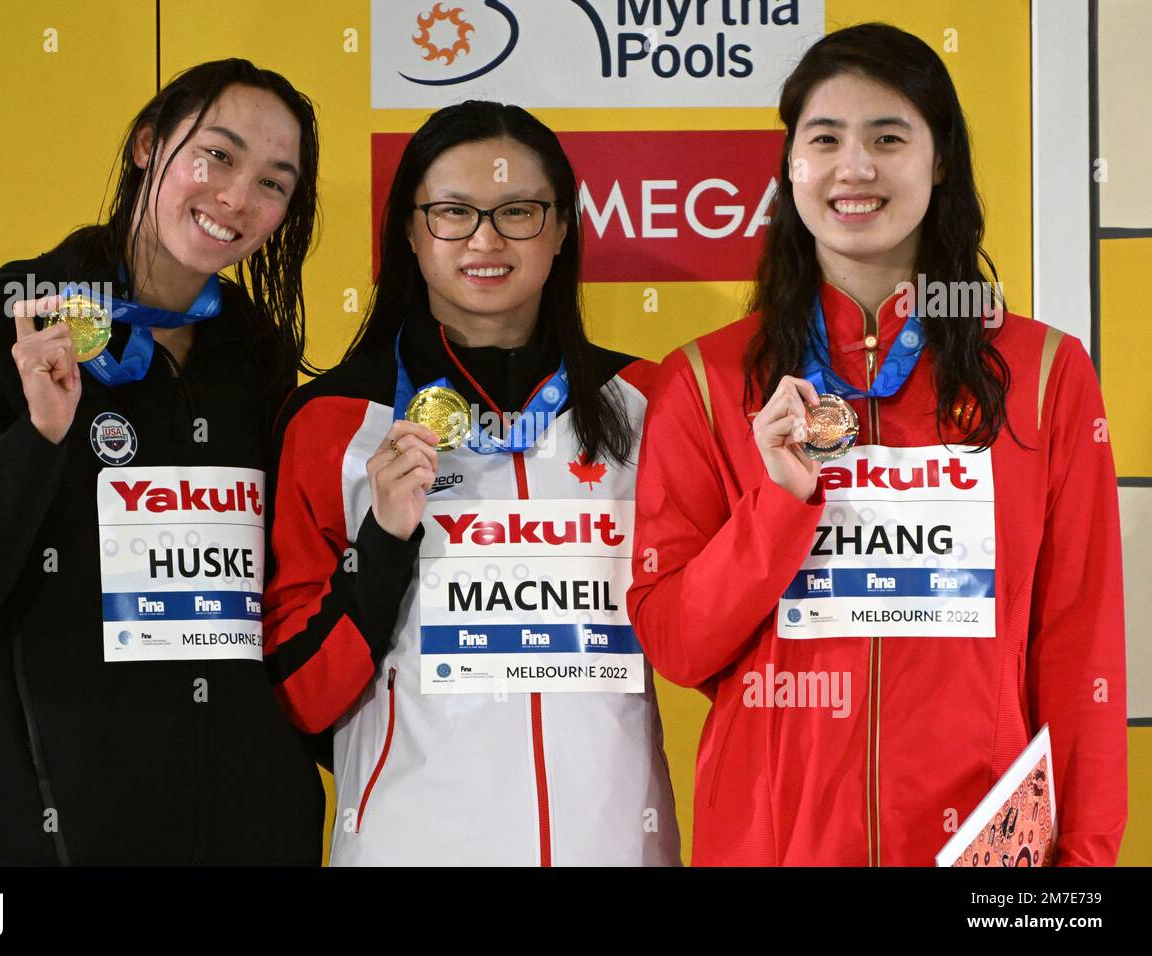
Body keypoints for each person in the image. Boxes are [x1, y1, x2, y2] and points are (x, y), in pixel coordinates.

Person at [628, 23, 1127, 866]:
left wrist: (1079, 869)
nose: (853, 167)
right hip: (770, 843)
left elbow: (1081, 649)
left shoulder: (1044, 373)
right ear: (791, 170)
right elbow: (678, 644)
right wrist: (777, 505)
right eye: (824, 140)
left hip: (984, 852)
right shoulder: (706, 381)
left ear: (939, 161)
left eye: (888, 137)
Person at [0, 59, 326, 865]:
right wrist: (39, 438)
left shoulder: (255, 356)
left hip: (250, 830)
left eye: (275, 181)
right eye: (217, 155)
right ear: (145, 145)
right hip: (56, 832)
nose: (237, 197)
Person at [262, 100, 680, 866]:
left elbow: (704, 629)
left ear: (560, 231)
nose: (485, 240)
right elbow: (301, 695)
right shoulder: (332, 421)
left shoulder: (652, 404)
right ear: (411, 233)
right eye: (452, 212)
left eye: (518, 211)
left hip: (617, 843)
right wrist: (382, 546)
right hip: (408, 844)